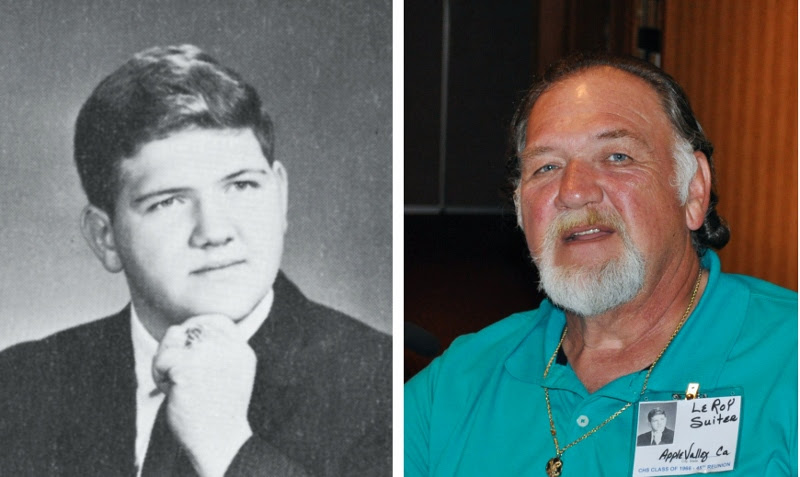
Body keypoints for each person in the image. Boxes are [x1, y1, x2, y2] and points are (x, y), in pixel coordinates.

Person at [0, 45, 391, 477]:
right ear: (105, 237)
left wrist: (224, 446)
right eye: (169, 201)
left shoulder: (387, 386)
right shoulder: (19, 386)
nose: (214, 231)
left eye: (241, 186)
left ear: (280, 196)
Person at [405, 51, 797, 476]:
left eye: (617, 157)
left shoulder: (785, 359)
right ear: (521, 210)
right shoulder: (458, 382)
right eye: (547, 166)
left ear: (694, 190)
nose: (573, 191)